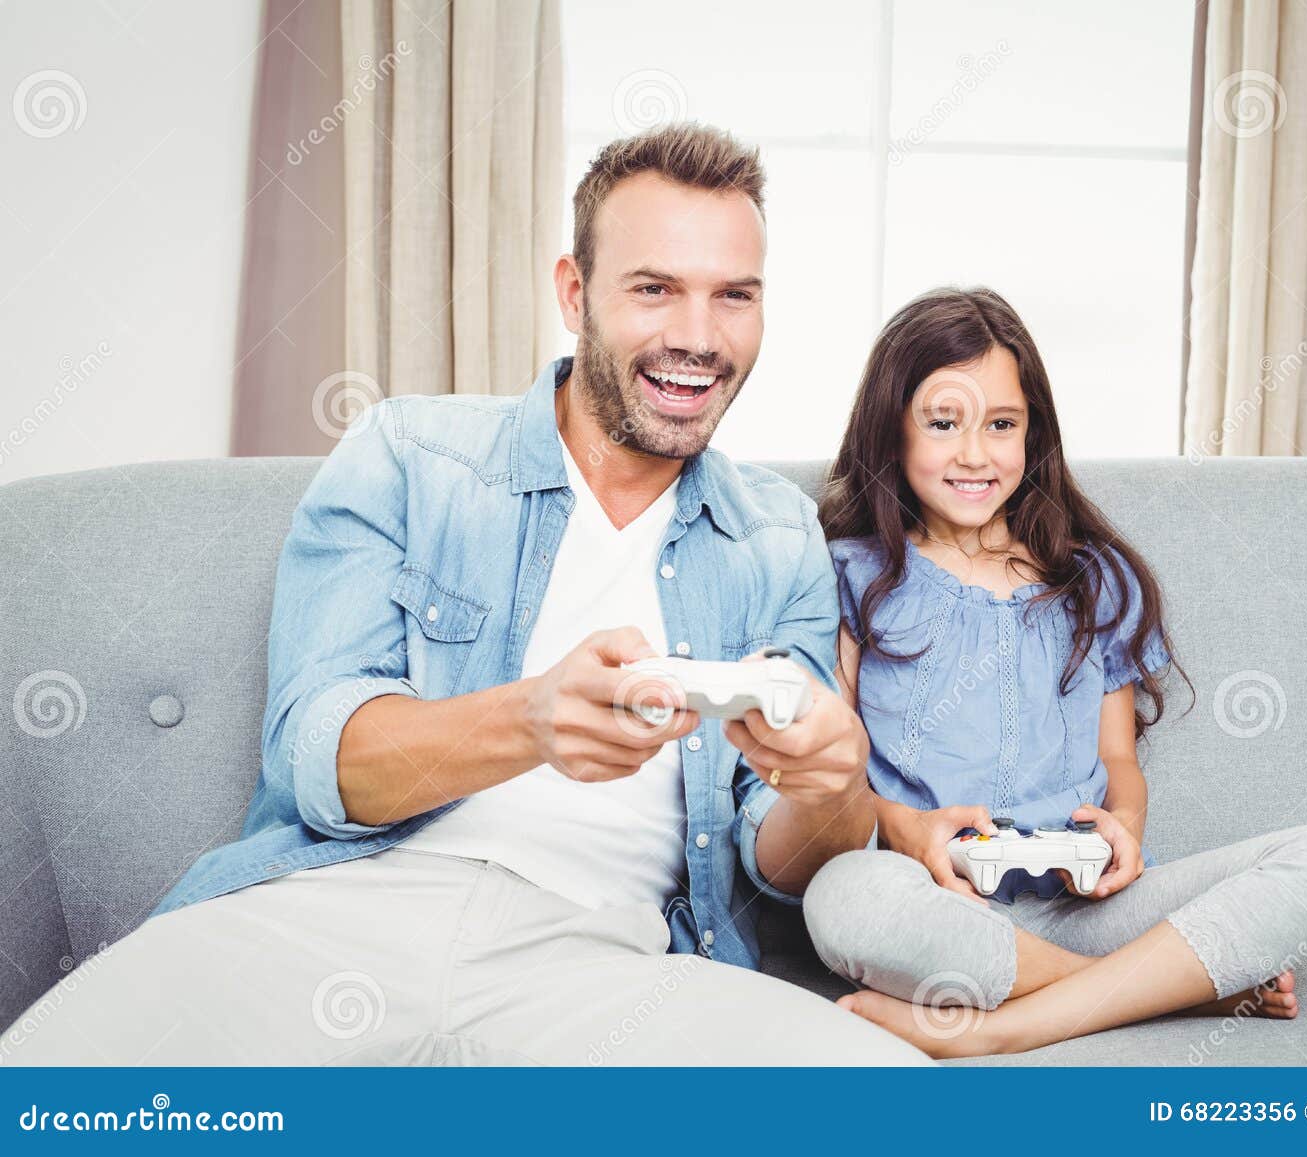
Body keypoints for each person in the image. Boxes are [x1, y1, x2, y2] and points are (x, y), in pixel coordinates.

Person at [3, 124, 927, 1067]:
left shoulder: (777, 535)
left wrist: (833, 785)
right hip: (334, 914)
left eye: (734, 296)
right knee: (48, 1092)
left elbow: (783, 863)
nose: (697, 336)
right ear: (575, 293)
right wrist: (529, 720)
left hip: (602, 966)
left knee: (884, 1090)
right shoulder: (409, 456)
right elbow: (317, 756)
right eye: (654, 288)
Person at [801, 286, 1307, 1058]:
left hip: (1080, 904)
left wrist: (1126, 828)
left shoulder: (1093, 579)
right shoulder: (852, 576)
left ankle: (1007, 1026)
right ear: (892, 432)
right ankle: (1165, 989)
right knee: (843, 895)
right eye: (944, 424)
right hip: (936, 900)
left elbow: (1117, 760)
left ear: (1033, 433)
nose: (976, 453)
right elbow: (832, 774)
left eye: (1001, 425)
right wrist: (906, 829)